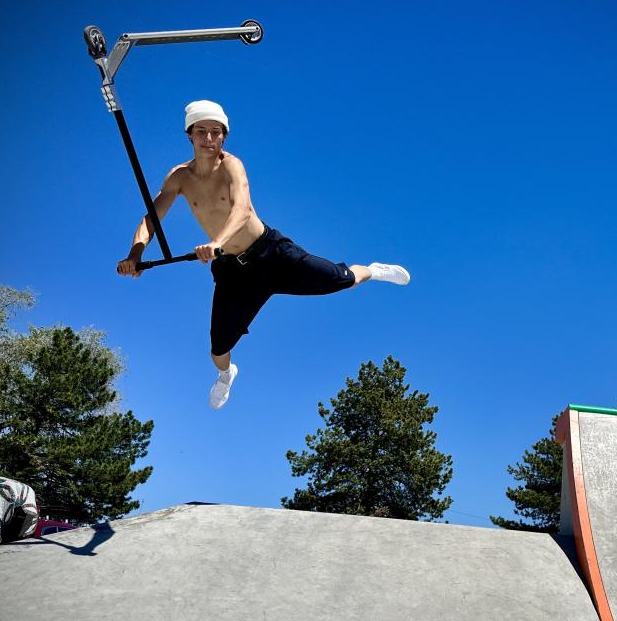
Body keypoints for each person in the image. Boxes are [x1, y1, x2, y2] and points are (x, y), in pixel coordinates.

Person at [117, 100, 410, 409]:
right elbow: (152, 218)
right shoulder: (178, 177)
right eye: (201, 131)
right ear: (189, 135)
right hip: (234, 272)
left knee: (344, 279)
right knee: (218, 349)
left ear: (224, 137)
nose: (208, 139)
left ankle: (374, 270)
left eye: (216, 132)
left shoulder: (231, 165)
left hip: (272, 255)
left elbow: (242, 210)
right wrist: (135, 254)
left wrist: (217, 241)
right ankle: (227, 374)